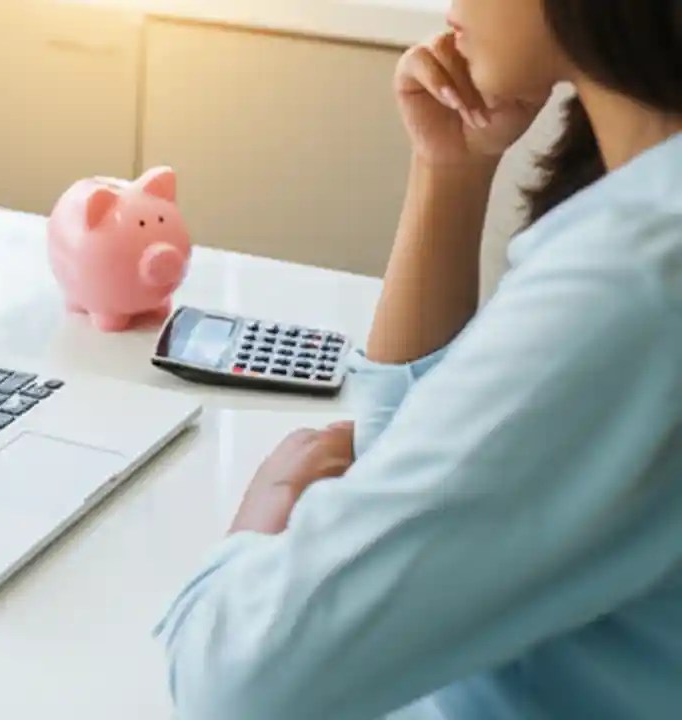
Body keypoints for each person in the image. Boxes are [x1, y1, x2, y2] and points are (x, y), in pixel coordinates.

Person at [153, 1, 682, 718]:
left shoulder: (635, 279)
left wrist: (259, 523)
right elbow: (410, 459)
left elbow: (234, 681)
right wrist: (451, 169)